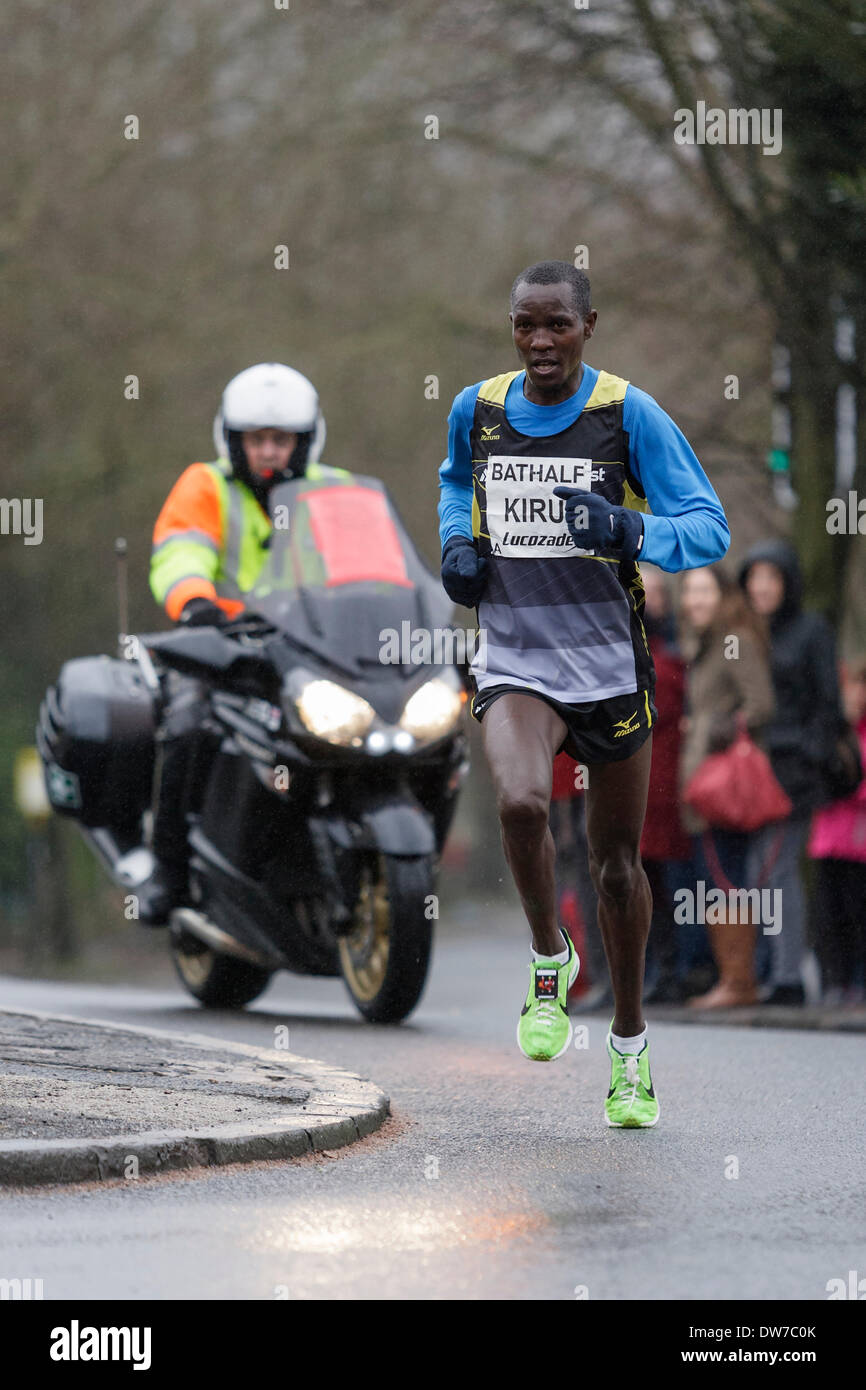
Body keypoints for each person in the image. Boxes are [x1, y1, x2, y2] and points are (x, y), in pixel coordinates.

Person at [437, 260, 729, 1127]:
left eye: (556, 325)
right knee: (523, 804)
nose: (538, 343)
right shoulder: (478, 410)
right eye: (524, 325)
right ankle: (546, 958)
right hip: (517, 654)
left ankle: (629, 1049)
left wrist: (629, 528)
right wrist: (459, 543)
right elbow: (459, 481)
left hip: (607, 665)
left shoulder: (625, 413)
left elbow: (706, 524)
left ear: (588, 325)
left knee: (613, 868)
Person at [135, 362, 344, 923]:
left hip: (311, 648)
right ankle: (169, 872)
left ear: (305, 442)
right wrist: (196, 604)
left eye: (281, 440)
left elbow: (375, 567)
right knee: (189, 723)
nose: (270, 451)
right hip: (221, 645)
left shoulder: (336, 492)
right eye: (257, 440)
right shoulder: (205, 485)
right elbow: (179, 551)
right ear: (234, 441)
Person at [739, 540, 846, 1004]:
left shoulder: (811, 631)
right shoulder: (748, 633)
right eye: (754, 578)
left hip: (796, 773)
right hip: (756, 775)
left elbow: (830, 705)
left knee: (777, 870)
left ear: (788, 582)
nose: (762, 587)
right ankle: (771, 971)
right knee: (756, 872)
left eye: (771, 577)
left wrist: (809, 752)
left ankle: (789, 979)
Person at [678, 565, 775, 1009]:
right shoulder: (708, 643)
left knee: (724, 879)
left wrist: (723, 724)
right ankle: (731, 978)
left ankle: (738, 983)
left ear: (723, 595)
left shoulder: (734, 641)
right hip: (702, 785)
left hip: (724, 787)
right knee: (719, 877)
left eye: (703, 591)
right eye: (689, 592)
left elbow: (762, 703)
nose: (693, 600)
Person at [638, 566, 692, 1004]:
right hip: (643, 780)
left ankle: (678, 969)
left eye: (654, 590)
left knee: (672, 880)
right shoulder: (630, 644)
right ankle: (660, 969)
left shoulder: (674, 650)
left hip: (671, 782)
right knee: (649, 880)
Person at [808, 658, 866, 1004]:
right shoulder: (831, 730)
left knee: (857, 916)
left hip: (859, 842)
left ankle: (856, 980)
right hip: (828, 839)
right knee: (829, 918)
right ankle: (834, 982)